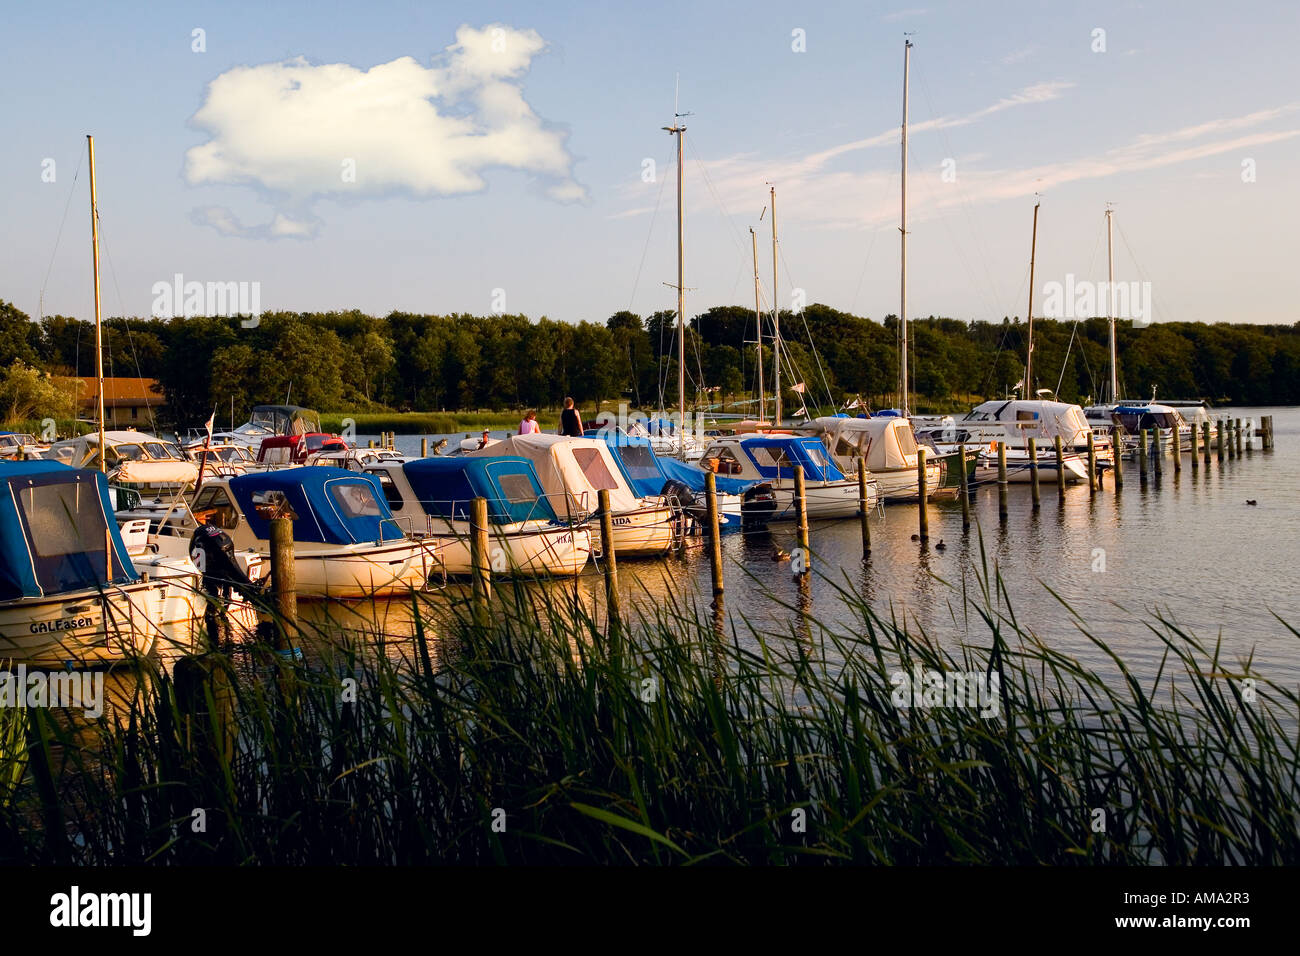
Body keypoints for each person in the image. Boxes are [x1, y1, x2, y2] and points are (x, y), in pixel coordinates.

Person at [189, 511, 264, 648]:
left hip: (216, 556)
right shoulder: (210, 544)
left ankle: (215, 644)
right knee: (230, 579)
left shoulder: (206, 545)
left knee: (217, 593)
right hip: (221, 550)